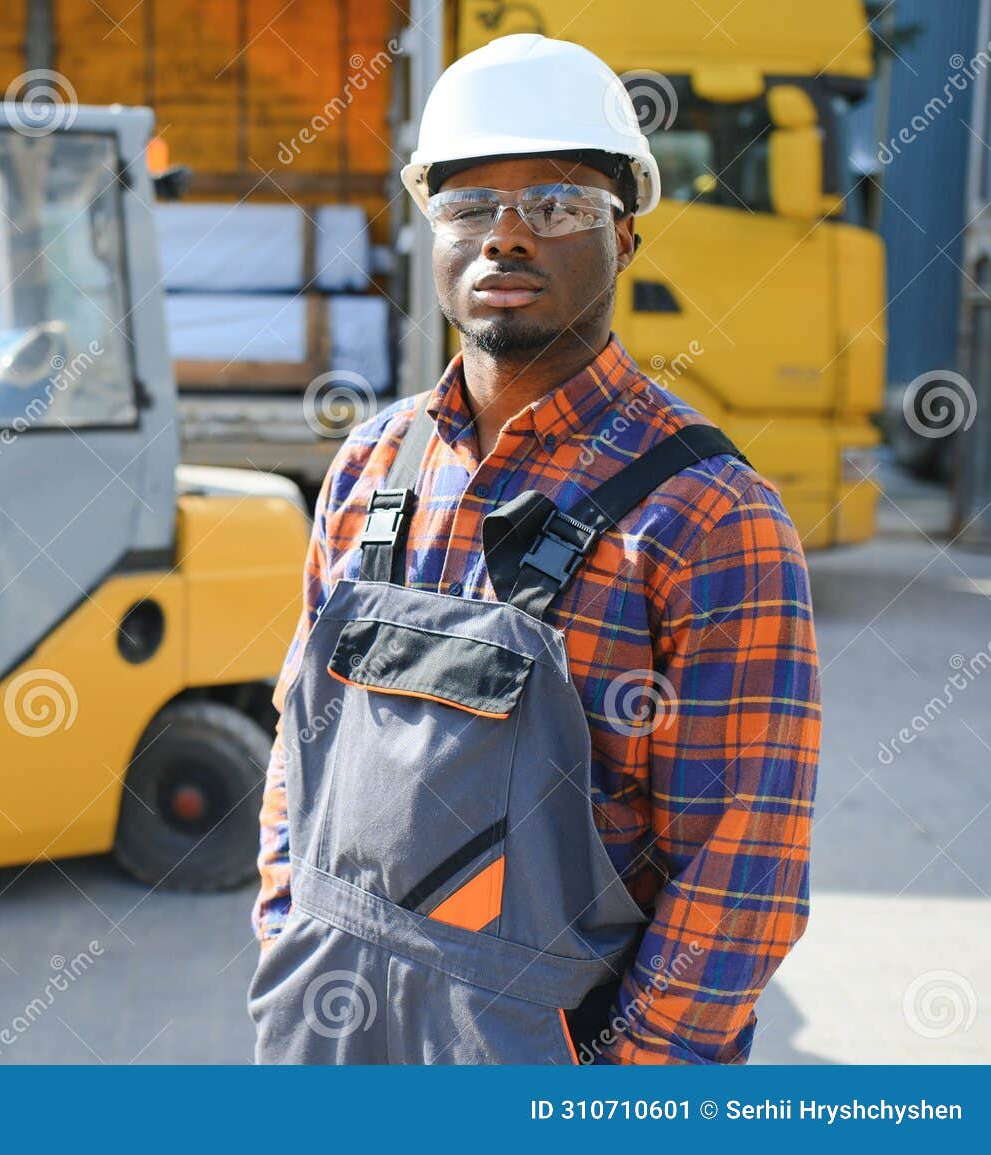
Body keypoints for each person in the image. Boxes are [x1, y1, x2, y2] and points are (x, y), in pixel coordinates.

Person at [247, 33, 820, 1065]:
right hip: (328, 1034)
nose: (506, 236)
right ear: (431, 229)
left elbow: (744, 868)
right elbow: (300, 740)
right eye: (469, 205)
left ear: (625, 237)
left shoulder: (704, 515)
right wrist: (289, 933)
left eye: (556, 206)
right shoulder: (372, 465)